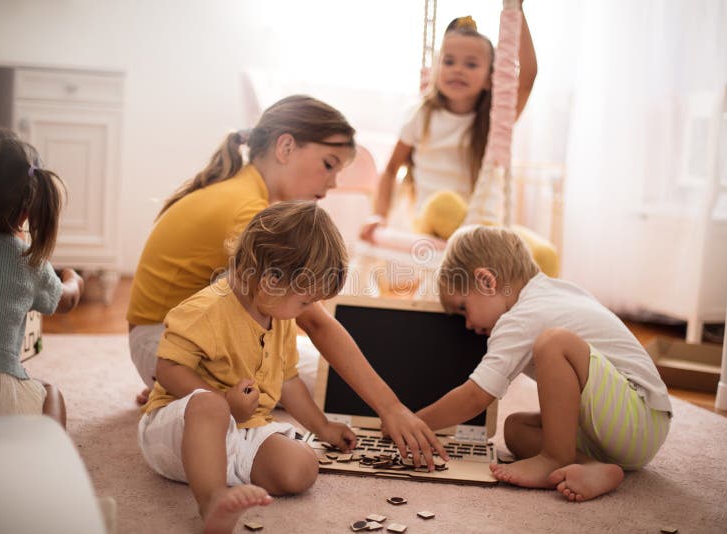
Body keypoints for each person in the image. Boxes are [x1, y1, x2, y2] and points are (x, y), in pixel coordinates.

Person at [127, 95, 449, 468]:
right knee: (327, 384)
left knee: (294, 371)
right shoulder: (248, 212)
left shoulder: (245, 192)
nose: (331, 184)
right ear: (285, 146)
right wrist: (389, 408)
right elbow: (314, 321)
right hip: (165, 346)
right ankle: (177, 398)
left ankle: (181, 393)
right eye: (328, 166)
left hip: (167, 340)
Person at [138, 201, 357, 532]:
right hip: (178, 431)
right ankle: (212, 500)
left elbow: (289, 381)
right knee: (208, 405)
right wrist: (223, 403)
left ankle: (219, 471)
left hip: (240, 427)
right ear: (270, 281)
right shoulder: (207, 309)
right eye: (305, 301)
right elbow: (167, 369)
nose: (307, 310)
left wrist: (324, 427)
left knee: (301, 467)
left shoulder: (279, 316)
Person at [416, 225, 672, 501]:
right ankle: (592, 467)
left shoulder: (523, 316)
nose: (467, 325)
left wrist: (415, 423)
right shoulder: (551, 293)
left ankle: (554, 457)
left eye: (463, 308)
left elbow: (476, 397)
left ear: (486, 282)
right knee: (515, 429)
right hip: (624, 428)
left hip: (638, 417)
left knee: (553, 343)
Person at [359, 12, 558, 276]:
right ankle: (482, 251)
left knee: (544, 256)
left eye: (471, 64)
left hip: (482, 225)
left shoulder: (493, 122)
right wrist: (380, 215)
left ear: (491, 78)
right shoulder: (421, 115)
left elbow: (528, 76)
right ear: (436, 69)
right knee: (446, 205)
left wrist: (516, 11)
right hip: (434, 217)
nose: (457, 70)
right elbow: (391, 169)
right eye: (449, 61)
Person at [0, 122, 84, 426]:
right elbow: (65, 301)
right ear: (26, 209)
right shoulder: (28, 261)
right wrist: (73, 279)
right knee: (49, 391)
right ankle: (48, 453)